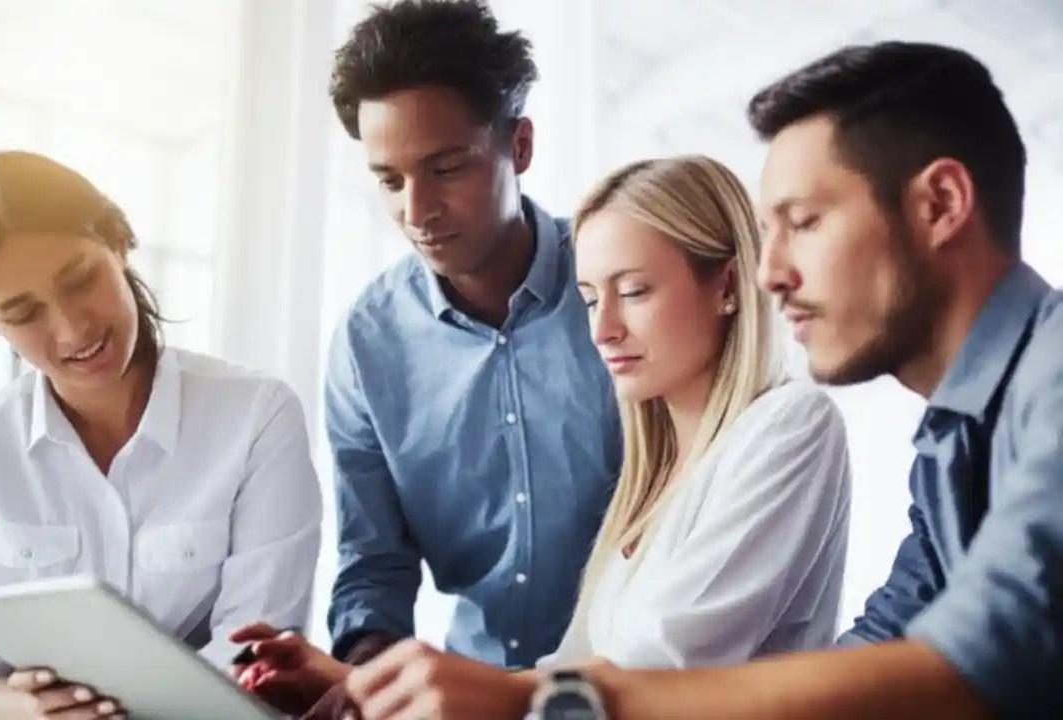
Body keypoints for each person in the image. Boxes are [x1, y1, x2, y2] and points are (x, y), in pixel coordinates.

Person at [353, 39, 1060, 719]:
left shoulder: (1051, 381)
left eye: (804, 223)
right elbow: (885, 646)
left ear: (940, 205)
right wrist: (391, 694)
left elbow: (979, 666)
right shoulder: (951, 443)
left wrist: (537, 700)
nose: (770, 273)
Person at [337, 154, 854, 718]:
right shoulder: (648, 475)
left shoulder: (791, 424)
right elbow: (574, 666)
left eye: (633, 292)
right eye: (588, 298)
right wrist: (369, 687)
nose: (603, 329)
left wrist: (457, 690)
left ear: (727, 285)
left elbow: (665, 662)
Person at [233, 0, 621, 716]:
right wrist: (364, 677)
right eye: (389, 180)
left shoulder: (623, 288)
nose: (417, 211)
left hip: (641, 690)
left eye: (446, 168)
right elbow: (373, 563)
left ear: (521, 146)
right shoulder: (366, 343)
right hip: (465, 700)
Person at [0, 151, 321, 720]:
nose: (72, 327)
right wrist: (39, 712)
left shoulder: (257, 413)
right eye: (23, 312)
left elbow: (258, 653)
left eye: (81, 280)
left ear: (118, 243)